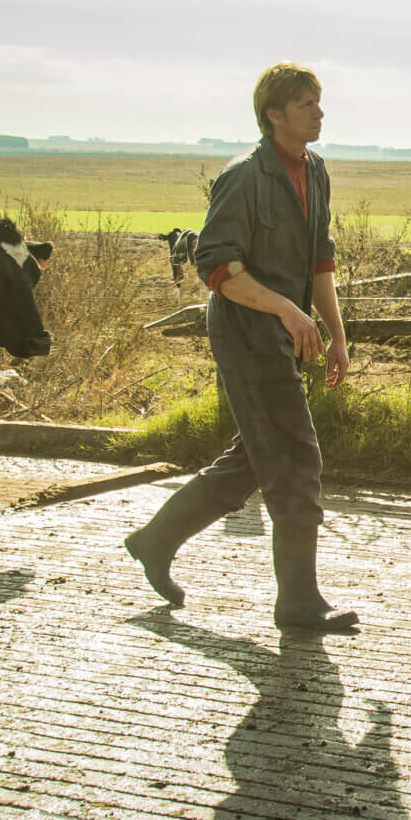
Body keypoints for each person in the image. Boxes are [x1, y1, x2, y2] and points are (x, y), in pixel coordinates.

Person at [123, 62, 356, 631]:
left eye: (318, 102)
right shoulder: (244, 177)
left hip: (287, 330)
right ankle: (298, 601)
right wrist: (285, 308)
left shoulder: (315, 171)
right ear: (274, 114)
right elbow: (218, 268)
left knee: (257, 454)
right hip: (246, 332)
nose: (319, 113)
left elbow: (320, 262)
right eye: (306, 105)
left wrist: (336, 337)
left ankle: (156, 540)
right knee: (296, 456)